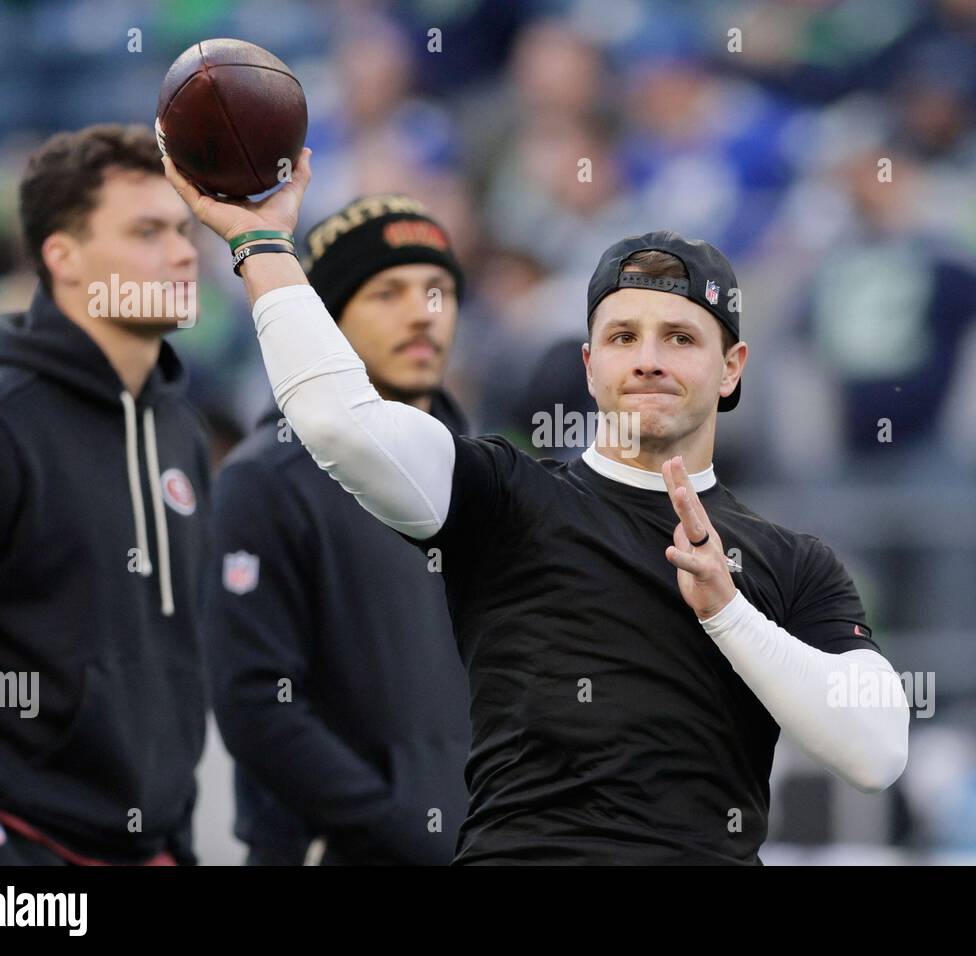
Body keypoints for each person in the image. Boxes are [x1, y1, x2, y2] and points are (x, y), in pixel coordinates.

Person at [166, 148, 908, 865]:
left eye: (680, 337)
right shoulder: (509, 498)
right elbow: (337, 423)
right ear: (590, 365)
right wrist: (260, 241)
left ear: (731, 368)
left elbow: (876, 751)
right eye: (623, 337)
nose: (648, 358)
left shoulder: (791, 561)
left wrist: (727, 612)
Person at [0, 124, 211, 865]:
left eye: (183, 229)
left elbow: (178, 666)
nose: (185, 252)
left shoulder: (182, 434)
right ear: (63, 256)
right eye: (147, 231)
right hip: (21, 857)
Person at [209, 195, 471, 865]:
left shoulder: (485, 480)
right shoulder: (265, 481)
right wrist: (409, 831)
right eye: (387, 292)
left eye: (438, 291)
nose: (422, 314)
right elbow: (257, 706)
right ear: (321, 317)